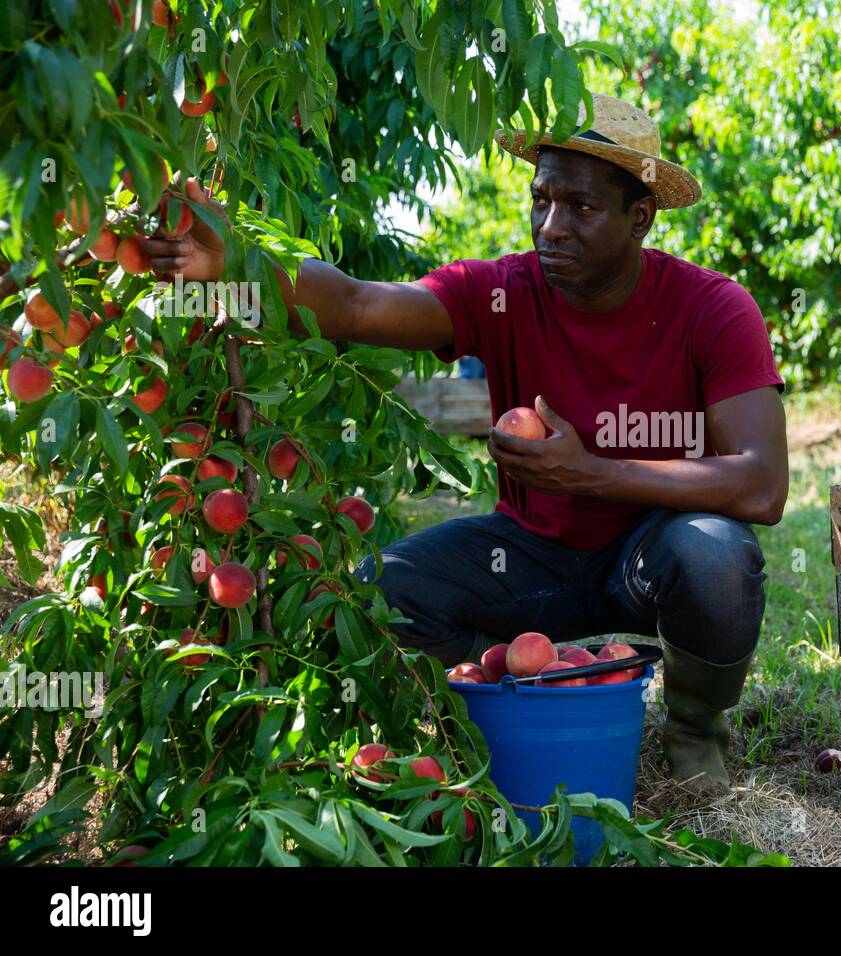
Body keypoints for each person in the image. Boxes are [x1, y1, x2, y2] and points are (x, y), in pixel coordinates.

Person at [145, 94, 789, 791]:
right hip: (532, 556)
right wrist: (237, 264)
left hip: (652, 551)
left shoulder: (712, 308)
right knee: (378, 590)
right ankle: (515, 687)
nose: (551, 226)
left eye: (580, 207)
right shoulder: (504, 290)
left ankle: (694, 733)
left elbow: (761, 484)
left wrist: (592, 473)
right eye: (541, 199)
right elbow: (358, 303)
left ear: (641, 217)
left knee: (716, 554)